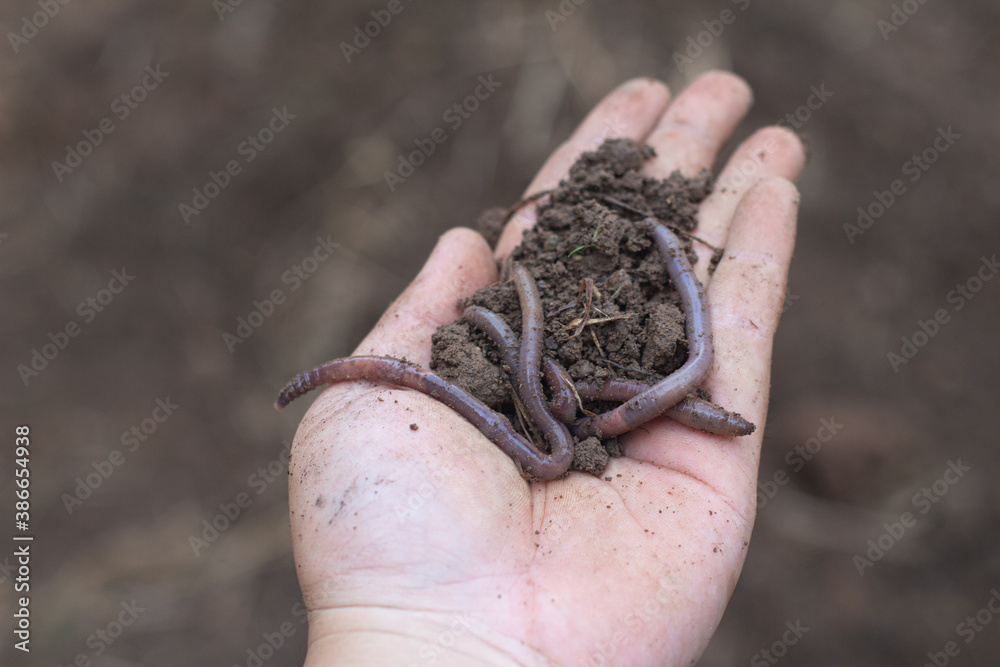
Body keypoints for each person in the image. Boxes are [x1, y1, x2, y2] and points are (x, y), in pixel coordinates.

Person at [288, 71, 806, 666]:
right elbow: (564, 415)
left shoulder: (563, 414)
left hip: (552, 387)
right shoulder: (552, 428)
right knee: (568, 396)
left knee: (577, 389)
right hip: (546, 395)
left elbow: (575, 408)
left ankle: (558, 321)